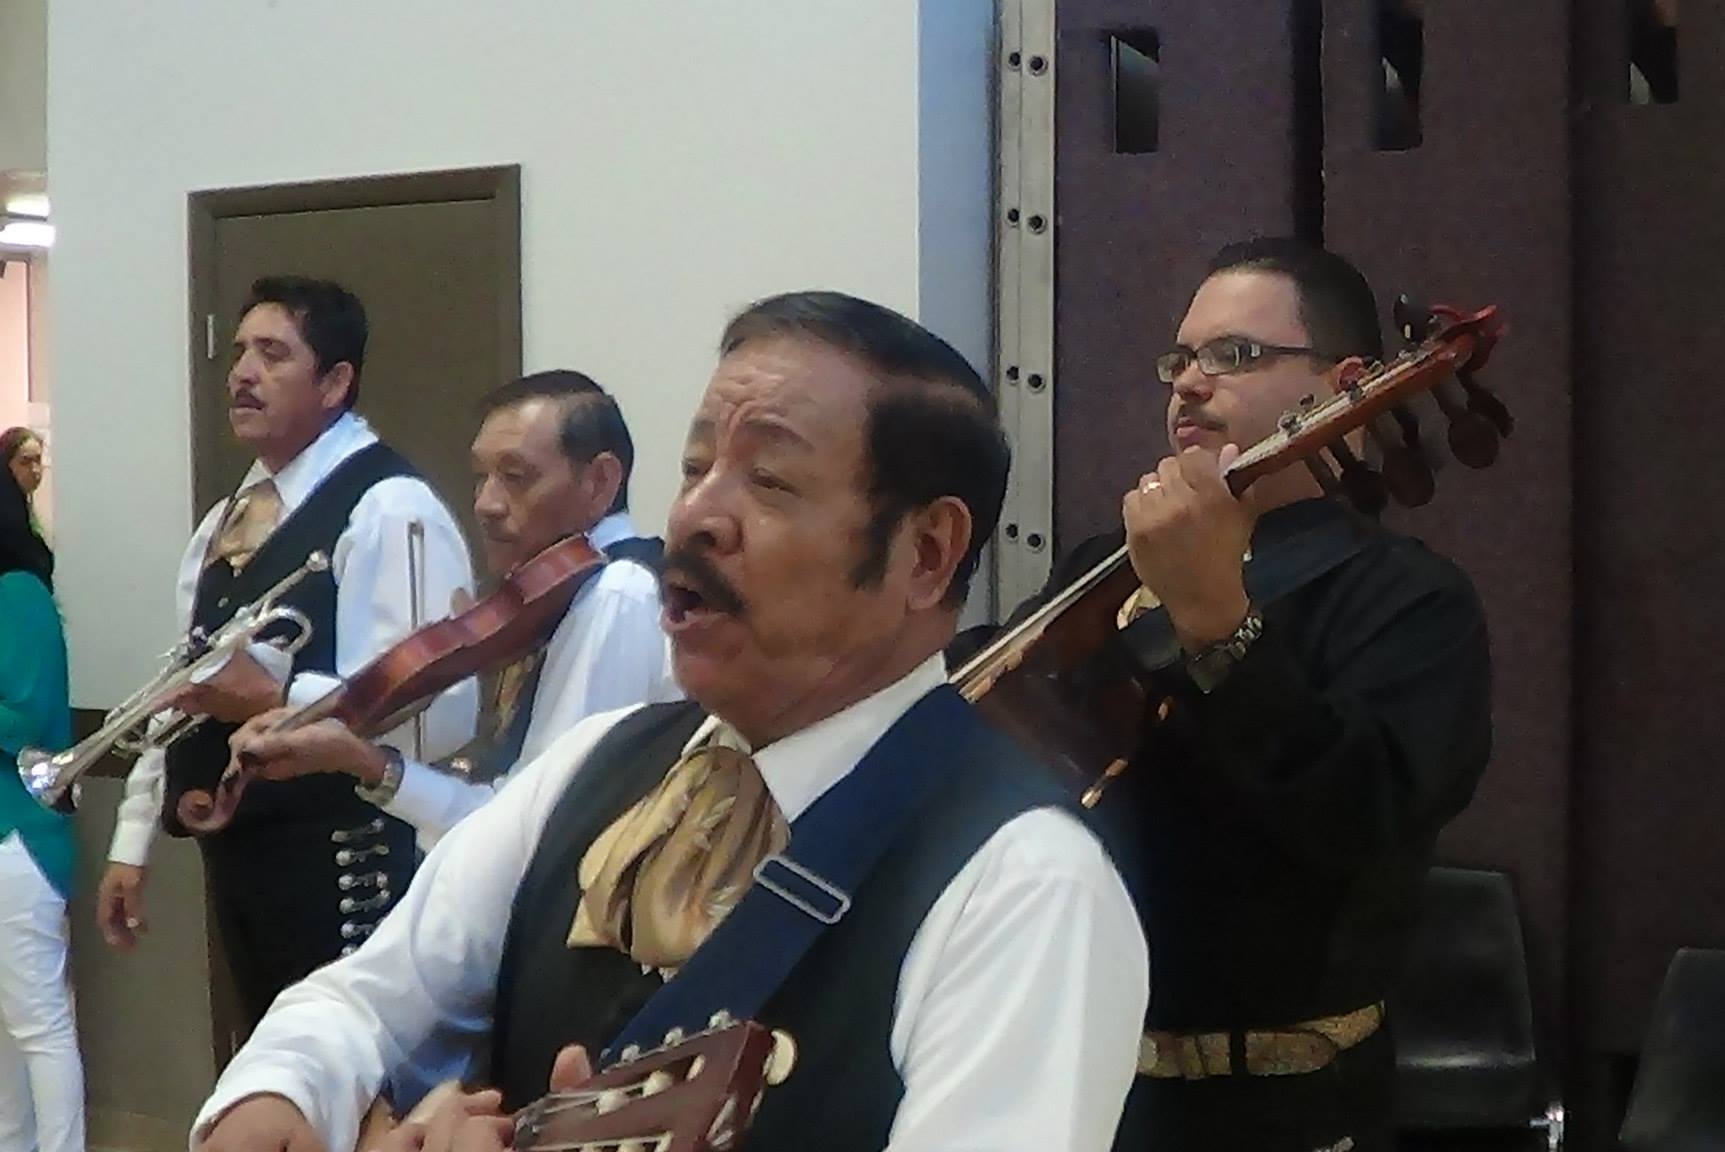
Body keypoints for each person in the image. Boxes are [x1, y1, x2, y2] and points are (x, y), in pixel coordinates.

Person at [192, 291, 1148, 1152]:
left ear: (927, 554)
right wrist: (276, 1093)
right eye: (695, 467)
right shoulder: (593, 765)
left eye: (768, 481)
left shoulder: (1024, 885)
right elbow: (364, 997)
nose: (695, 516)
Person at [955, 238, 1492, 1152]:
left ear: (1343, 383)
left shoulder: (1410, 601)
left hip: (1284, 1110)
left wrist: (1217, 624)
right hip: (1084, 1090)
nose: (1189, 383)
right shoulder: (1110, 568)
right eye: (1181, 359)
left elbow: (1359, 812)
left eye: (1233, 356)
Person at [96, 276, 478, 1032]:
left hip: (350, 859)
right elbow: (178, 689)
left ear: (337, 381)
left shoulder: (388, 505)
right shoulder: (226, 520)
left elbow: (434, 713)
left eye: (273, 354)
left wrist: (278, 699)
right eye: (239, 351)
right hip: (243, 855)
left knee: (348, 1084)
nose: (242, 372)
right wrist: (131, 840)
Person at [231, 370, 678, 852]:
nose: (485, 504)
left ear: (599, 482)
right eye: (481, 477)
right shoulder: (568, 595)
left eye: (516, 477)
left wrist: (369, 764)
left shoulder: (617, 594)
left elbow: (538, 830)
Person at [0, 471, 84, 1152]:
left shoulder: (19, 594)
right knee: (4, 1034)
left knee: (38, 1026)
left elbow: (23, 717)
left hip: (20, 838)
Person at [1, 427, 47, 538]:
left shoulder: (22, 504)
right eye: (25, 462)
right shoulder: (7, 517)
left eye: (38, 460)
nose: (35, 470)